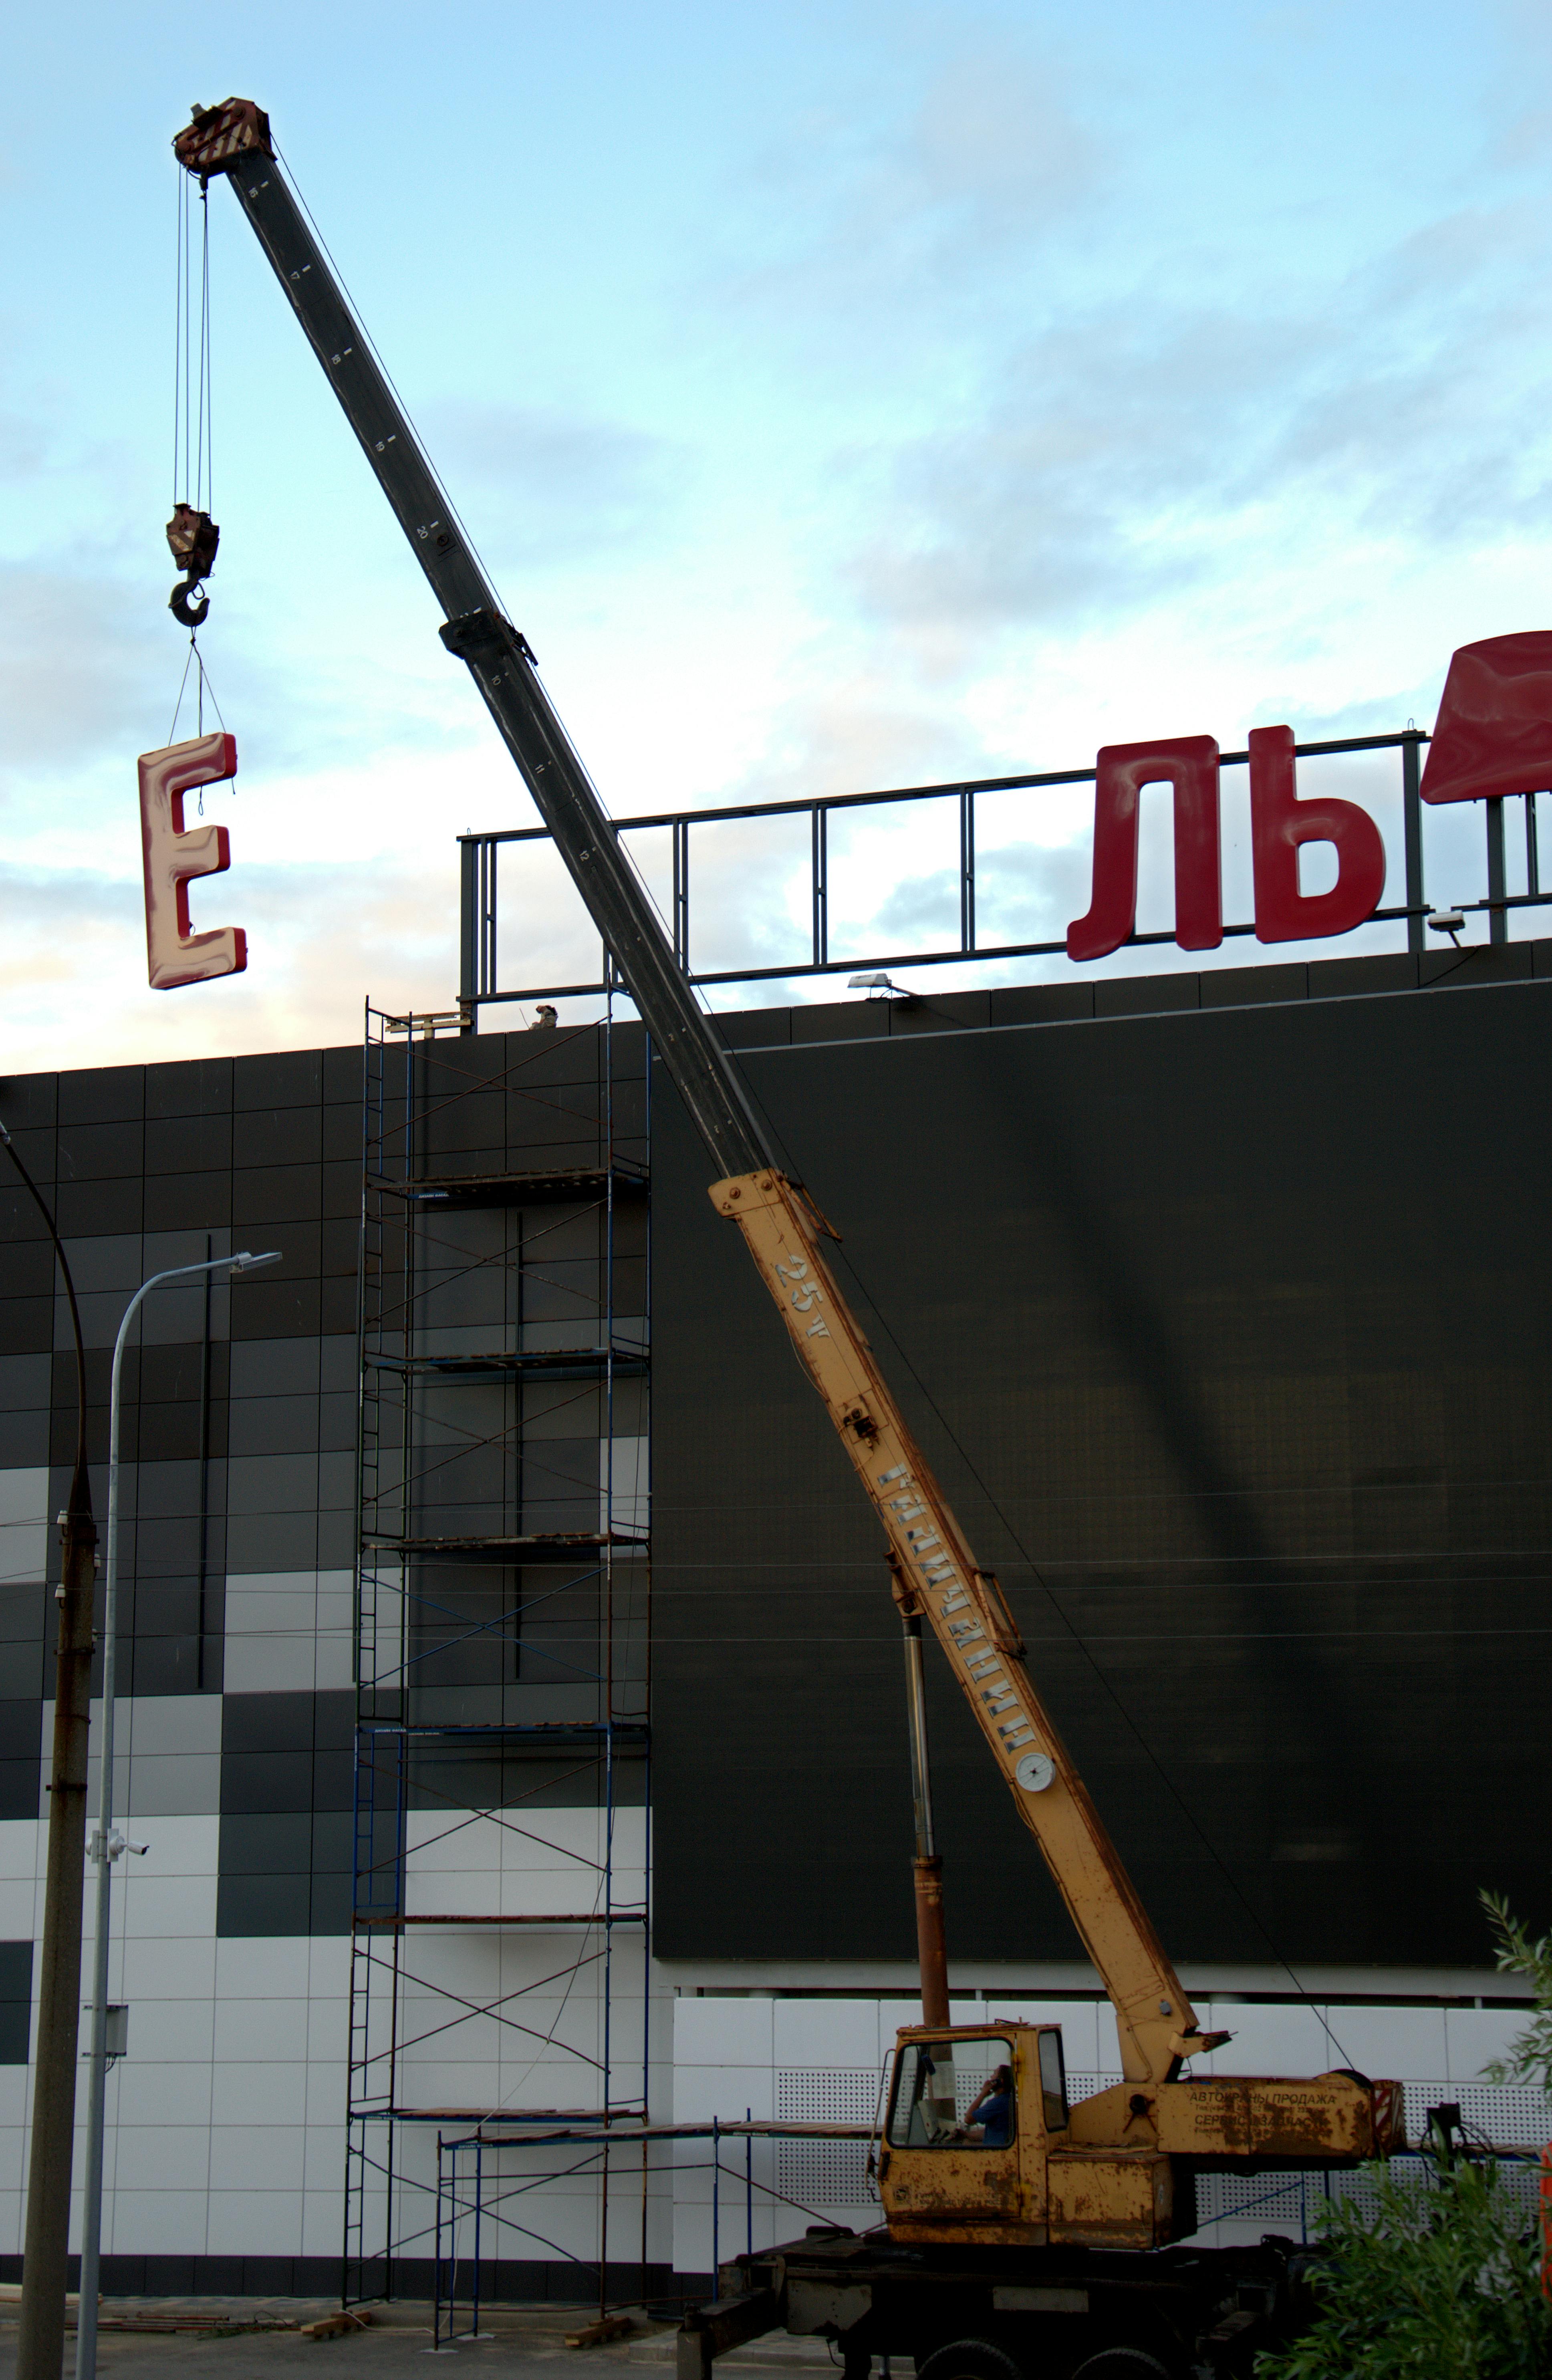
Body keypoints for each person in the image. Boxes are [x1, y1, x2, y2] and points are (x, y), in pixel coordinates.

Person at [963, 2063, 1014, 2148]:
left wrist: (983, 2093)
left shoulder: (998, 2103)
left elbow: (969, 2119)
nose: (991, 2077)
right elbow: (991, 2132)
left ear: (1000, 2081)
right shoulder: (1008, 2100)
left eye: (994, 2074)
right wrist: (966, 2135)